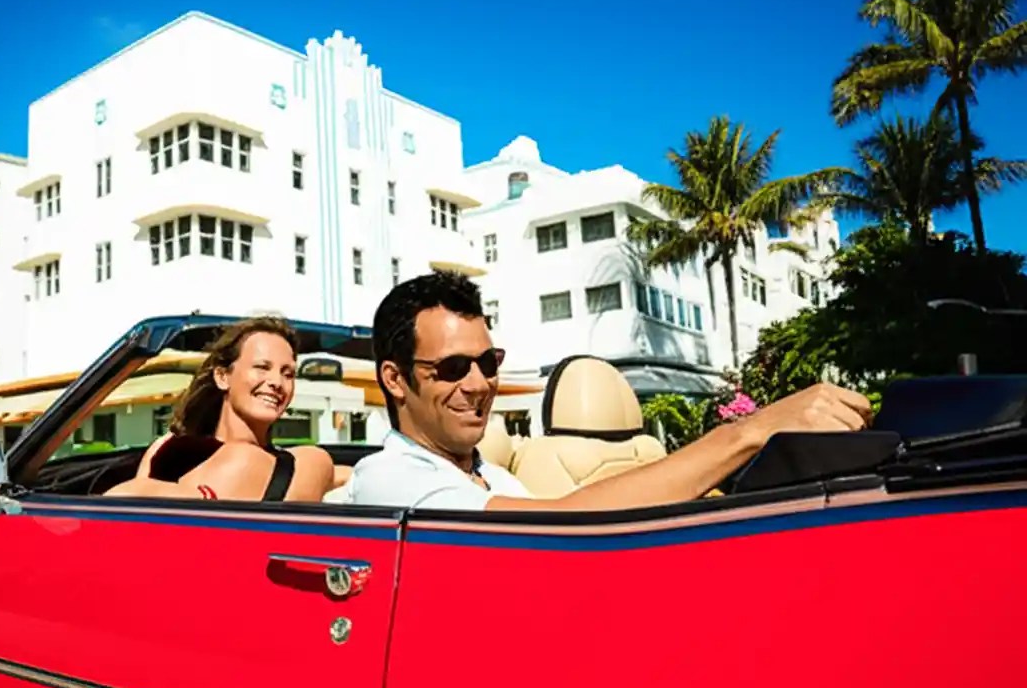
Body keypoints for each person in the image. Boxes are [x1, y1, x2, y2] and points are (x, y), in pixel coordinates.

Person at [345, 271, 874, 511]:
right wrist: (749, 432)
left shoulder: (493, 476)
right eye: (454, 367)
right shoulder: (391, 478)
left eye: (489, 361)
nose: (480, 383)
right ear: (395, 379)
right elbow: (565, 526)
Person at [104, 317, 335, 502]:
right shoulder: (168, 450)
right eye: (262, 367)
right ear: (223, 376)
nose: (277, 382)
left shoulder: (304, 463)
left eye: (288, 373)